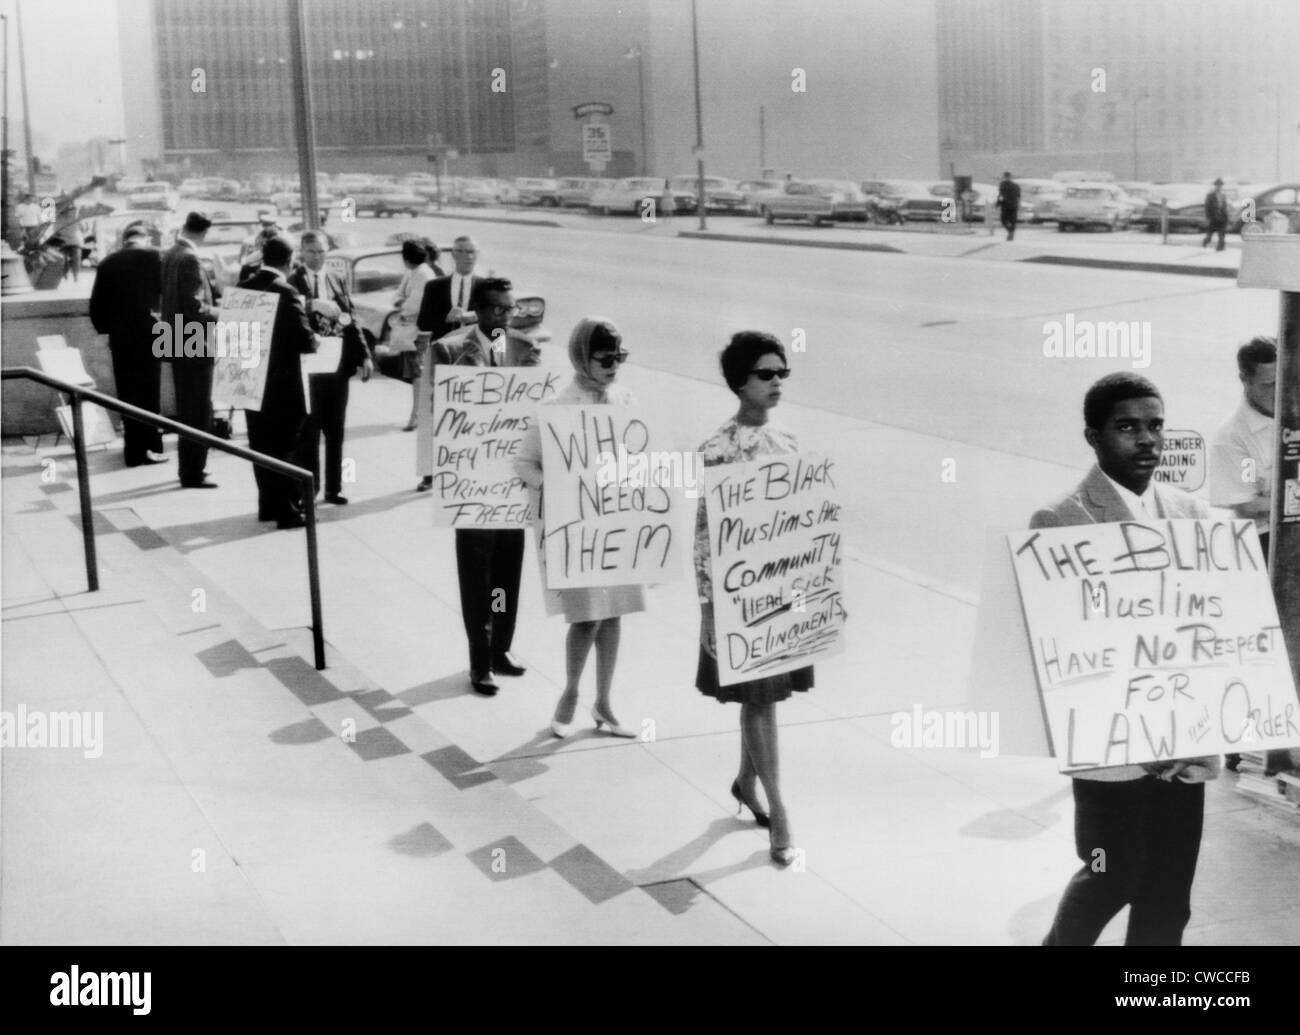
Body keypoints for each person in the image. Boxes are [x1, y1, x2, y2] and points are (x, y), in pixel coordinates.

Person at [1034, 372, 1219, 946]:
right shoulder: (1060, 522)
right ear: (1093, 436)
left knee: (1169, 895)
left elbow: (1215, 632)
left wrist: (1204, 731)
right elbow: (1060, 657)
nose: (1146, 440)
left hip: (1181, 742)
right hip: (1110, 753)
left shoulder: (1191, 513)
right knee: (1111, 876)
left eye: (1156, 426)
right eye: (1127, 427)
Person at [694, 332, 807, 867]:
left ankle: (745, 779)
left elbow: (809, 526)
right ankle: (780, 814)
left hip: (784, 591)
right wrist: (709, 609)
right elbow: (704, 538)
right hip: (739, 596)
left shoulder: (790, 442)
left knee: (761, 699)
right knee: (757, 701)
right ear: (740, 380)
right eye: (766, 373)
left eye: (783, 372)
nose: (777, 381)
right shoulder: (716, 449)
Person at [515, 318, 643, 740]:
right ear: (581, 358)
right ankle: (569, 694)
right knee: (586, 618)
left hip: (616, 525)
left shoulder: (626, 399)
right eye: (605, 358)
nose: (614, 365)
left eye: (620, 357)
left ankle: (604, 701)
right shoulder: (556, 406)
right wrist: (558, 487)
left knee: (614, 615)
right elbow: (524, 464)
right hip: (578, 530)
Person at [431, 278, 532, 695]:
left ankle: (500, 647)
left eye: (510, 310)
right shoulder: (450, 349)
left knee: (506, 572)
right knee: (477, 574)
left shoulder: (524, 347)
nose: (505, 318)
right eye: (497, 310)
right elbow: (441, 417)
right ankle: (479, 659)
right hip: (472, 481)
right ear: (478, 311)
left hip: (511, 483)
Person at [1207, 336, 1289, 774]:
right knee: (1262, 648)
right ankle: (1248, 735)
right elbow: (1245, 502)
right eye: (1270, 383)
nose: (1281, 390)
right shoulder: (1233, 439)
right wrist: (1287, 499)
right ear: (1245, 381)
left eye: (1287, 378)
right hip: (1261, 544)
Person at [238, 235, 318, 529]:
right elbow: (304, 338)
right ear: (289, 259)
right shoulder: (285, 290)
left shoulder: (243, 287)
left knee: (260, 445)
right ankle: (287, 511)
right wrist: (316, 339)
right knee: (285, 446)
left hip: (249, 380)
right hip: (283, 384)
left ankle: (268, 505)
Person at [288, 230, 373, 506]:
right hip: (309, 369)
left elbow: (350, 318)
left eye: (322, 251)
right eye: (312, 250)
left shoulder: (336, 279)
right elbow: (287, 313)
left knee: (335, 431)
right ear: (302, 252)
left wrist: (364, 355)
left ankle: (334, 488)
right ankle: (308, 491)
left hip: (337, 367)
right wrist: (312, 304)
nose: (317, 256)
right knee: (309, 433)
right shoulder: (293, 281)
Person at [89, 223, 167, 467]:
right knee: (150, 392)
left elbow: (96, 306)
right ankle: (152, 447)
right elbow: (167, 294)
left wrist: (108, 329)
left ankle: (133, 452)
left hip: (122, 339)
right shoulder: (156, 257)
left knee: (127, 394)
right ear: (144, 238)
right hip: (152, 334)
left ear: (124, 240)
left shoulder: (107, 263)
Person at [414, 235, 481, 488]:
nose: (467, 256)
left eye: (472, 252)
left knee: (471, 418)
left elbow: (499, 328)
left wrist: (470, 318)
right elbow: (423, 323)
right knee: (435, 415)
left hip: (475, 361)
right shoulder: (436, 286)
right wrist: (447, 319)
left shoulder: (486, 287)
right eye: (462, 251)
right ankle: (430, 474)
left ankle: (466, 472)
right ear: (453, 255)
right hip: (441, 360)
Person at [161, 211, 221, 489]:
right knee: (198, 411)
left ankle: (190, 468)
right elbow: (197, 308)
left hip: (175, 339)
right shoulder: (190, 258)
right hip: (194, 342)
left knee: (188, 409)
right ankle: (193, 472)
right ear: (203, 233)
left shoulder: (172, 252)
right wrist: (222, 310)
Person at [391, 240, 438, 431]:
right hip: (412, 330)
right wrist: (402, 303)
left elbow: (413, 304)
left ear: (406, 258)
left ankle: (417, 415)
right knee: (417, 373)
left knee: (419, 374)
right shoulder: (413, 273)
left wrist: (402, 305)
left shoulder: (424, 274)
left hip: (421, 331)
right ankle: (418, 413)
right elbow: (398, 296)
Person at [1203, 178, 1229, 251]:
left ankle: (1220, 248)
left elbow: (1224, 207)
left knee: (1222, 235)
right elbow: (1207, 207)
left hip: (1222, 219)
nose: (1219, 187)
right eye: (1217, 185)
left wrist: (1226, 218)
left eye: (1220, 185)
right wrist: (1208, 218)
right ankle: (1205, 241)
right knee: (1209, 236)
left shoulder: (1223, 195)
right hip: (1213, 219)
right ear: (1215, 186)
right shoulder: (1210, 195)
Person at [996, 171, 1021, 241]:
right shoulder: (1016, 185)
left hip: (1005, 205)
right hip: (1014, 205)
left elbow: (1000, 195)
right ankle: (1011, 233)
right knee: (1012, 220)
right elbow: (1018, 196)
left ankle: (1010, 231)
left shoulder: (1002, 184)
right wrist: (1018, 204)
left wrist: (998, 203)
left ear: (1004, 177)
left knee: (1003, 220)